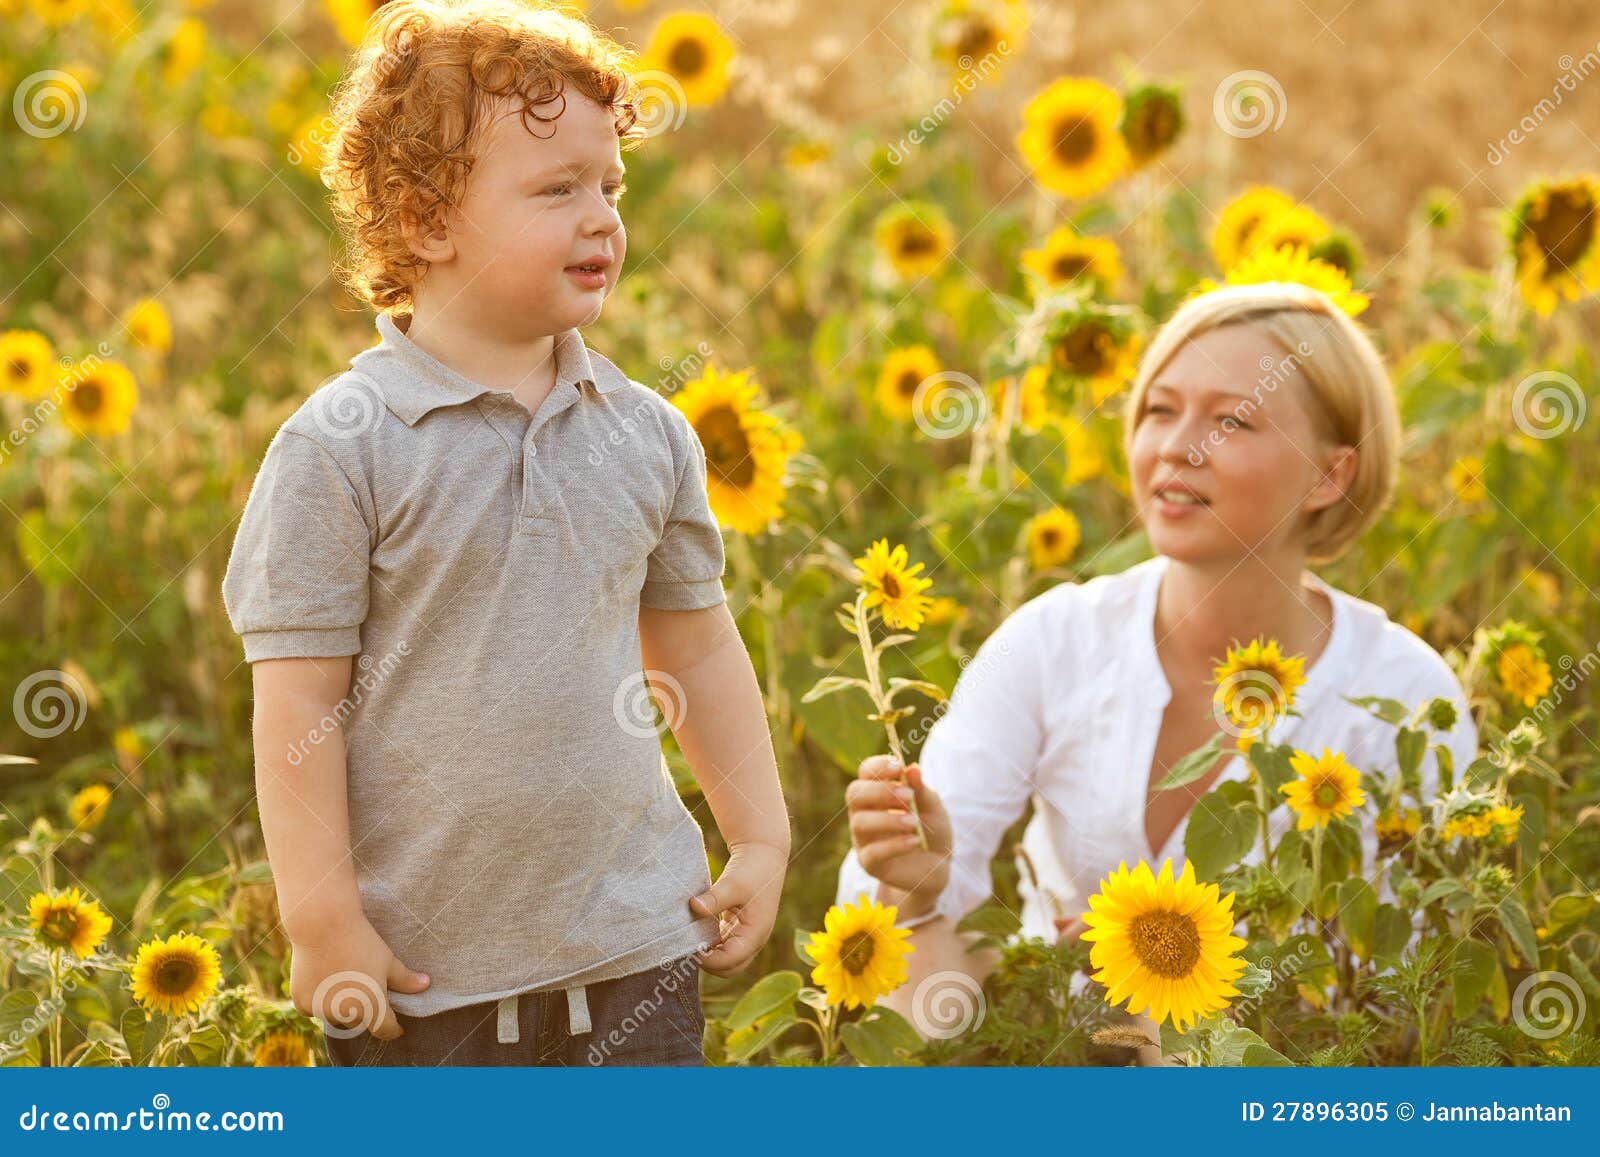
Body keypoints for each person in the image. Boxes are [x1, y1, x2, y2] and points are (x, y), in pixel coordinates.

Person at [221, 0, 788, 1066]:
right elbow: (298, 701)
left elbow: (699, 646)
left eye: (611, 185)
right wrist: (320, 917)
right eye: (557, 189)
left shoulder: (647, 431)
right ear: (428, 220)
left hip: (635, 953)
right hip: (425, 978)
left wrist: (758, 833)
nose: (603, 219)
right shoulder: (346, 444)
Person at [837, 281, 1478, 1041]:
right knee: (921, 951)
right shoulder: (1055, 638)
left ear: (1329, 475)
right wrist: (916, 877)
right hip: (1056, 1045)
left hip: (1278, 1083)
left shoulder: (1401, 694)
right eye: (1159, 409)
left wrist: (1168, 1003)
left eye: (1232, 419)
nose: (1177, 446)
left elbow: (1413, 995)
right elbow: (885, 927)